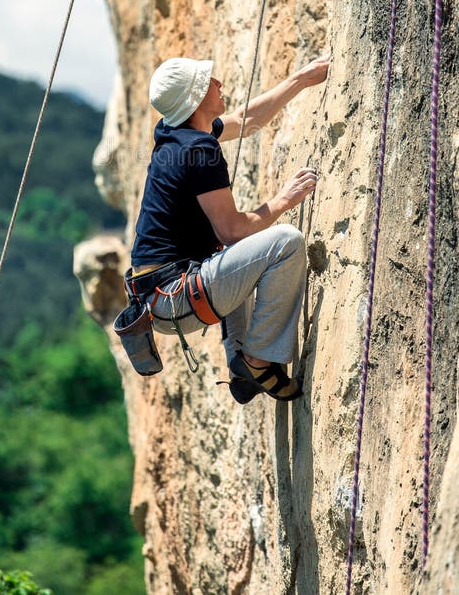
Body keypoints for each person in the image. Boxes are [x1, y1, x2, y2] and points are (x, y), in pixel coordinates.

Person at [126, 54, 329, 403]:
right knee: (285, 243)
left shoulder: (176, 132)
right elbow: (233, 230)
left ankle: (240, 369)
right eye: (208, 81)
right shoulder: (199, 149)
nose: (218, 82)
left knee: (233, 257)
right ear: (196, 99)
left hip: (158, 296)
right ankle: (258, 361)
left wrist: (300, 79)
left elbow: (247, 120)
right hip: (175, 295)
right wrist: (283, 200)